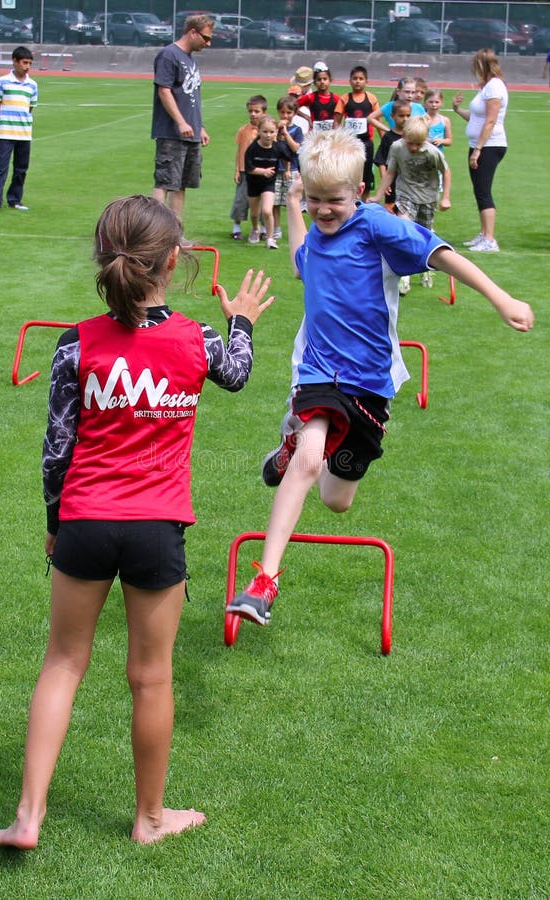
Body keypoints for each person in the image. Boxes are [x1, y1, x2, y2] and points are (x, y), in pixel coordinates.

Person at [0, 195, 274, 849]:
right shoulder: (199, 339)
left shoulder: (74, 344)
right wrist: (241, 322)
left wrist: (53, 521)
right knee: (150, 676)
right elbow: (235, 374)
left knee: (62, 664)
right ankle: (149, 821)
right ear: (174, 261)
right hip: (157, 529)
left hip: (84, 523)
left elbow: (56, 448)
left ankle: (28, 818)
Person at [225, 129, 533, 627]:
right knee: (308, 461)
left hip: (371, 383)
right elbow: (301, 264)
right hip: (320, 371)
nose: (325, 211)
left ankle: (291, 448)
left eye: (335, 202)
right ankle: (265, 581)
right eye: (317, 200)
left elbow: (441, 254)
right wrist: (295, 207)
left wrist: (501, 298)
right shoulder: (318, 232)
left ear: (361, 193)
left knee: (335, 499)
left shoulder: (375, 227)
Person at [370, 115, 451, 290]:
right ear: (404, 136)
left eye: (418, 144)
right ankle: (404, 275)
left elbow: (446, 171)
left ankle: (426, 268)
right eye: (410, 143)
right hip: (405, 195)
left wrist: (445, 197)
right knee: (404, 230)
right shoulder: (397, 148)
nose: (414, 148)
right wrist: (378, 195)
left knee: (424, 233)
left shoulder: (432, 152)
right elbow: (390, 172)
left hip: (427, 197)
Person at [151, 15, 214, 235]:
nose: (208, 43)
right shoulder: (169, 55)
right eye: (205, 38)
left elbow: (192, 97)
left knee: (181, 185)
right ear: (193, 32)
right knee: (165, 182)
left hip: (191, 133)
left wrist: (200, 126)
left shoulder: (190, 59)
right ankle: (153, 233)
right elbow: (164, 90)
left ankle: (175, 235)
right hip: (172, 133)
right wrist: (180, 122)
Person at [452, 48, 509, 253]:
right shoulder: (485, 87)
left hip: (490, 145)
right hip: (480, 144)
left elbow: (490, 121)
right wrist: (457, 110)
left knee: (484, 191)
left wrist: (478, 149)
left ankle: (490, 239)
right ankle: (484, 233)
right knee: (479, 190)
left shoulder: (494, 87)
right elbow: (476, 118)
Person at [0, 46, 37, 213]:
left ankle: (15, 199)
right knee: (1, 167)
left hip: (24, 133)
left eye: (29, 63)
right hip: (5, 132)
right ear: (15, 62)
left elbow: (30, 108)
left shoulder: (33, 85)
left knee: (21, 169)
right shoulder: (2, 81)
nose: (27, 66)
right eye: (24, 62)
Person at [333, 65, 381, 199]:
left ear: (366, 81)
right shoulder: (345, 99)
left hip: (366, 144)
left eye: (361, 78)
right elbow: (336, 121)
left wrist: (384, 140)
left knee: (366, 175)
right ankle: (350, 199)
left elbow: (378, 121)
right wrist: (338, 139)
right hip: (349, 144)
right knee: (349, 173)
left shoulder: (371, 99)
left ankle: (364, 202)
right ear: (350, 81)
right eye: (355, 78)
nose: (358, 81)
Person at [245, 115, 291, 250]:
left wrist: (287, 170)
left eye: (272, 132)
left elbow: (287, 157)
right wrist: (263, 171)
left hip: (268, 183)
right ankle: (255, 229)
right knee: (254, 214)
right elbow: (249, 168)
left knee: (266, 210)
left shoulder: (278, 147)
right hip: (253, 183)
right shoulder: (253, 148)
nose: (268, 135)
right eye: (265, 132)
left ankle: (270, 238)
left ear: (276, 132)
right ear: (259, 131)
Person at [229, 94, 268, 241]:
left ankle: (263, 228)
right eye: (250, 111)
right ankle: (236, 227)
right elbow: (240, 151)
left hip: (264, 171)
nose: (253, 114)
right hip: (246, 171)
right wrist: (237, 170)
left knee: (264, 202)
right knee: (241, 200)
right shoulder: (243, 130)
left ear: (263, 112)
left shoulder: (268, 130)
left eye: (256, 111)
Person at [373, 99, 411, 214]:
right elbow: (381, 161)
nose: (405, 119)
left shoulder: (413, 137)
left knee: (409, 213)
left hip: (409, 182)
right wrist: (386, 182)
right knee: (392, 212)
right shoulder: (388, 137)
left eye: (408, 115)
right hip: (393, 182)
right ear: (392, 116)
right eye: (401, 115)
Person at [273, 95, 303, 241]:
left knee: (292, 201)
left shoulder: (296, 130)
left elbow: (296, 148)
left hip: (291, 171)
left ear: (294, 113)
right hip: (275, 169)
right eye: (283, 112)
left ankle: (294, 228)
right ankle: (276, 228)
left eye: (289, 113)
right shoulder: (274, 128)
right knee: (275, 202)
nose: (285, 116)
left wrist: (285, 133)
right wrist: (276, 131)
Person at [298, 61, 340, 132]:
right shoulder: (310, 97)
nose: (322, 82)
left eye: (325, 79)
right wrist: (307, 118)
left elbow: (345, 113)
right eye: (319, 79)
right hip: (315, 136)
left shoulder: (336, 99)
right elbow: (292, 106)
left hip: (331, 136)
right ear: (314, 82)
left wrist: (337, 123)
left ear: (330, 80)